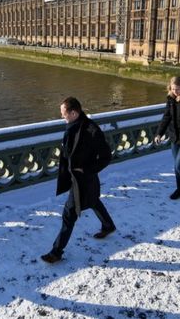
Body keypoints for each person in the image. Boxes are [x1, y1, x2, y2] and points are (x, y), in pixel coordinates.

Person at [41, 97, 116, 264]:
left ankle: (56, 251)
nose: (62, 118)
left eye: (64, 115)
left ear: (74, 113)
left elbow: (106, 156)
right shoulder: (73, 125)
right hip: (76, 177)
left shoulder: (91, 129)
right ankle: (108, 225)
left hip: (83, 180)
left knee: (69, 214)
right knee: (94, 200)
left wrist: (87, 169)